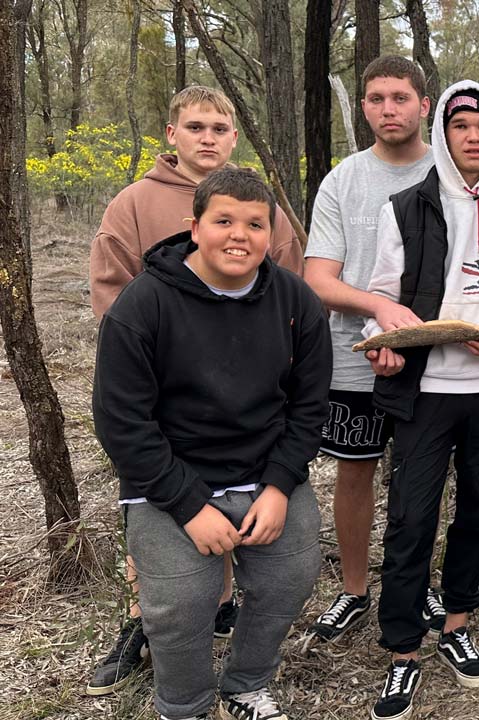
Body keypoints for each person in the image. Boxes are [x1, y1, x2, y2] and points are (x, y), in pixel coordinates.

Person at [86, 85, 303, 696]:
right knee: (165, 537)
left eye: (219, 127)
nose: (208, 137)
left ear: (234, 137)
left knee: (239, 521)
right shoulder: (133, 204)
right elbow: (115, 298)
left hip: (246, 407)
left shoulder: (262, 206)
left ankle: (222, 614)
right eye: (195, 126)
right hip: (161, 408)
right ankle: (147, 624)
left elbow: (284, 292)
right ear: (172, 134)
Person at [360, 80, 479, 720]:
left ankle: (458, 621)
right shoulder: (407, 207)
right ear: (442, 133)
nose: (474, 136)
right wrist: (382, 342)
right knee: (412, 516)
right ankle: (401, 652)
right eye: (461, 125)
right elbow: (382, 299)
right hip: (425, 390)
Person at [302, 55, 437, 647]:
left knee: (421, 480)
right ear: (363, 108)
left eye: (400, 98)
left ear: (423, 105)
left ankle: (414, 585)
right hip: (352, 360)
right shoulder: (344, 180)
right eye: (377, 98)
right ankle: (354, 589)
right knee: (354, 474)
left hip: (434, 365)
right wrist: (379, 308)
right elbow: (319, 280)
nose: (389, 109)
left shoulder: (450, 174)